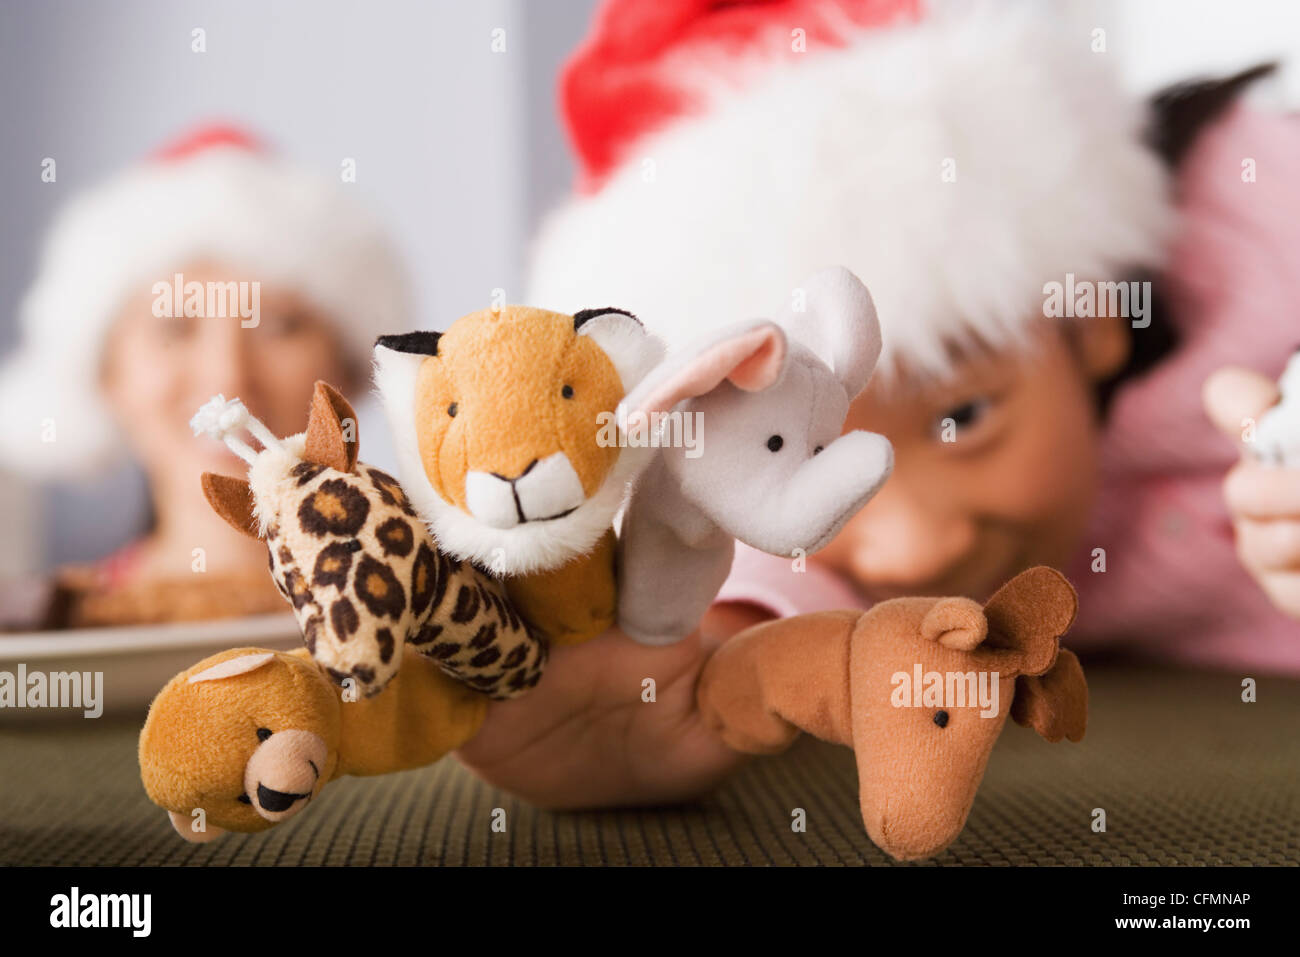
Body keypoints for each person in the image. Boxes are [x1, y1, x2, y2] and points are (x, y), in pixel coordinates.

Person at [454, 0, 1299, 809]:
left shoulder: (1255, 217)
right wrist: (686, 665)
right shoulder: (768, 534)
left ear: (1093, 316)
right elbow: (743, 573)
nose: (910, 551)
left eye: (964, 418)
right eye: (805, 452)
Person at [0, 125, 411, 628]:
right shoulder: (48, 632)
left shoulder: (435, 618)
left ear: (347, 366)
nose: (228, 378)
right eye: (175, 327)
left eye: (279, 326)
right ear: (107, 373)